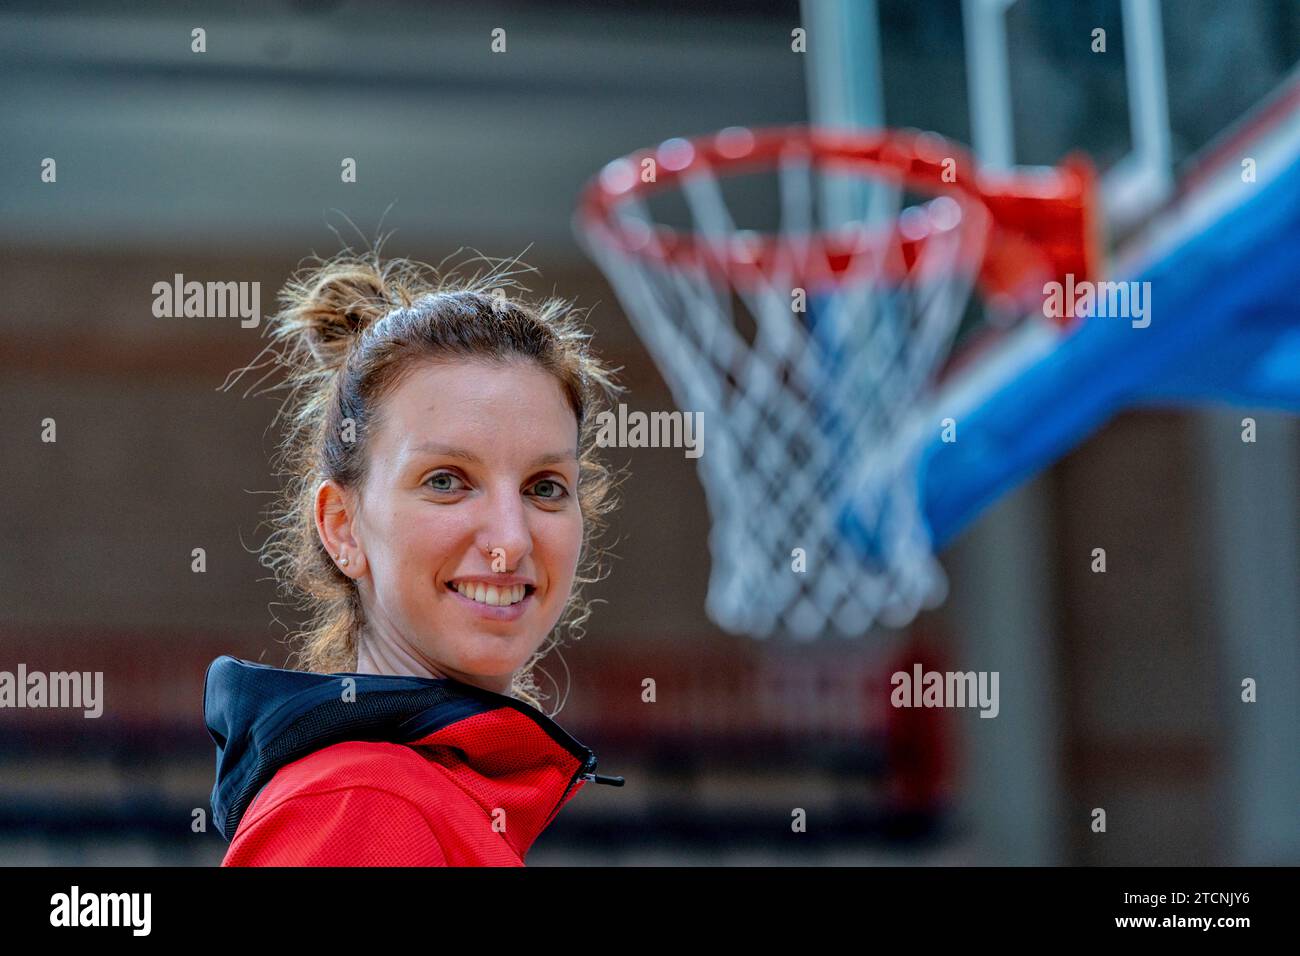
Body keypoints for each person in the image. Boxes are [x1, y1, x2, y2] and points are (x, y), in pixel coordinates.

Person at [204, 249, 626, 865]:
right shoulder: (363, 807)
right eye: (446, 480)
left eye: (544, 487)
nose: (511, 540)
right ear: (343, 527)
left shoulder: (416, 795)